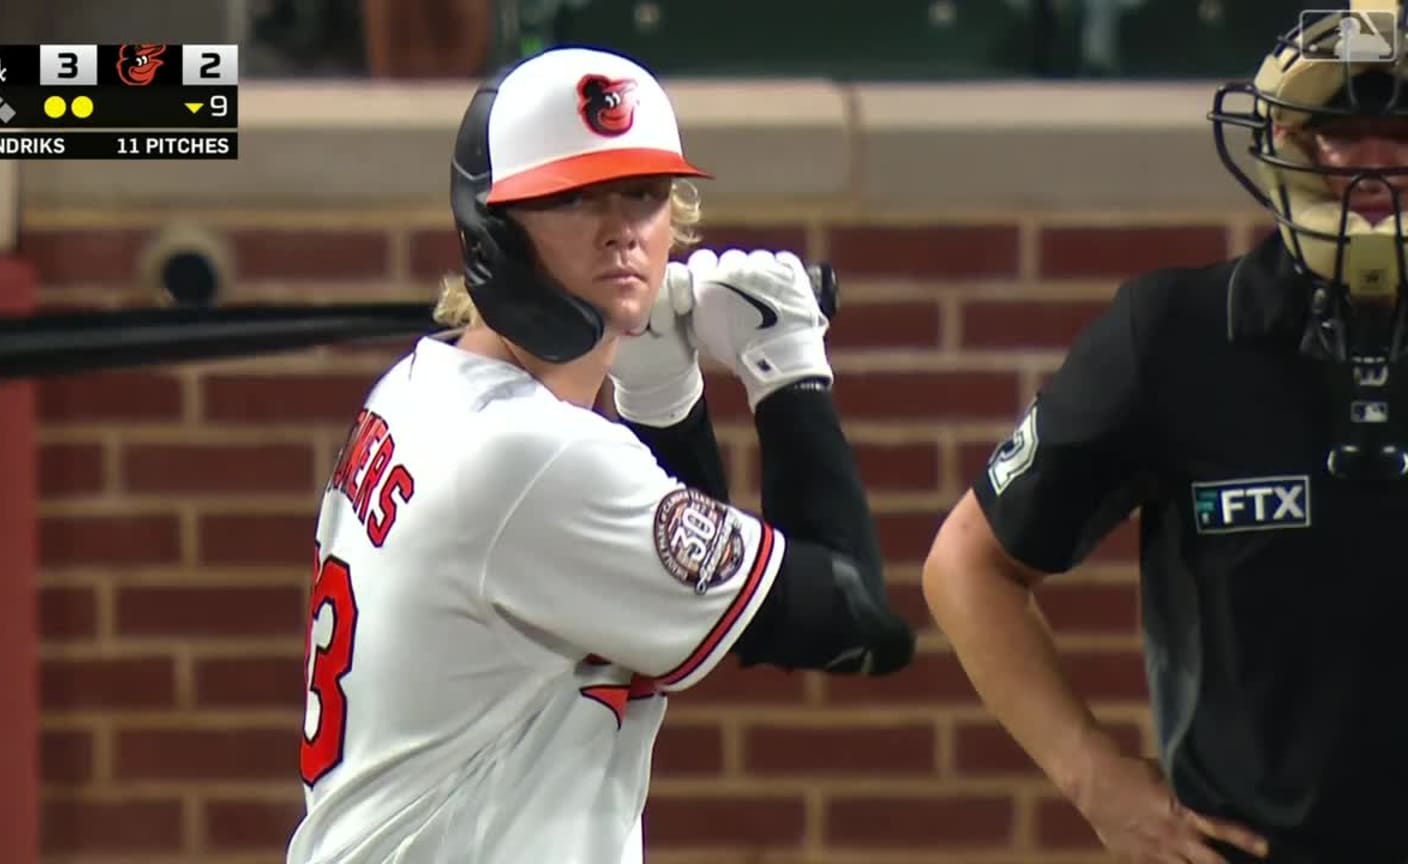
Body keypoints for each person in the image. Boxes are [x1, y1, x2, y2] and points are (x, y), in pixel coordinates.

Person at [286, 45, 915, 864]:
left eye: (644, 194)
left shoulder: (420, 387)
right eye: (573, 197)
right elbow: (855, 622)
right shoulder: (531, 459)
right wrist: (787, 366)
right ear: (495, 232)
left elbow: (668, 587)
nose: (621, 230)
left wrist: (660, 390)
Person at [923, 4, 1408, 863]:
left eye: (1402, 134)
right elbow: (967, 565)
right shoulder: (1179, 336)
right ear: (1289, 142)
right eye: (1342, 132)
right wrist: (1096, 780)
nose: (1375, 163)